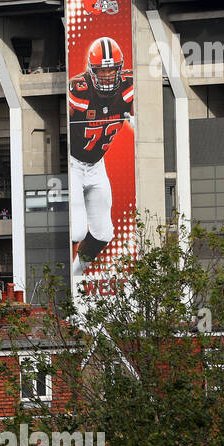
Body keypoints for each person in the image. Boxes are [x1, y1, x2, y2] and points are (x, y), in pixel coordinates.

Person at [69, 35, 135, 278]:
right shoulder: (80, 90)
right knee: (76, 231)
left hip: (97, 165)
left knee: (104, 233)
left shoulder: (128, 87)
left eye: (112, 70)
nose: (107, 76)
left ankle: (76, 273)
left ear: (120, 69)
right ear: (91, 70)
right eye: (102, 71)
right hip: (73, 163)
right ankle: (59, 273)